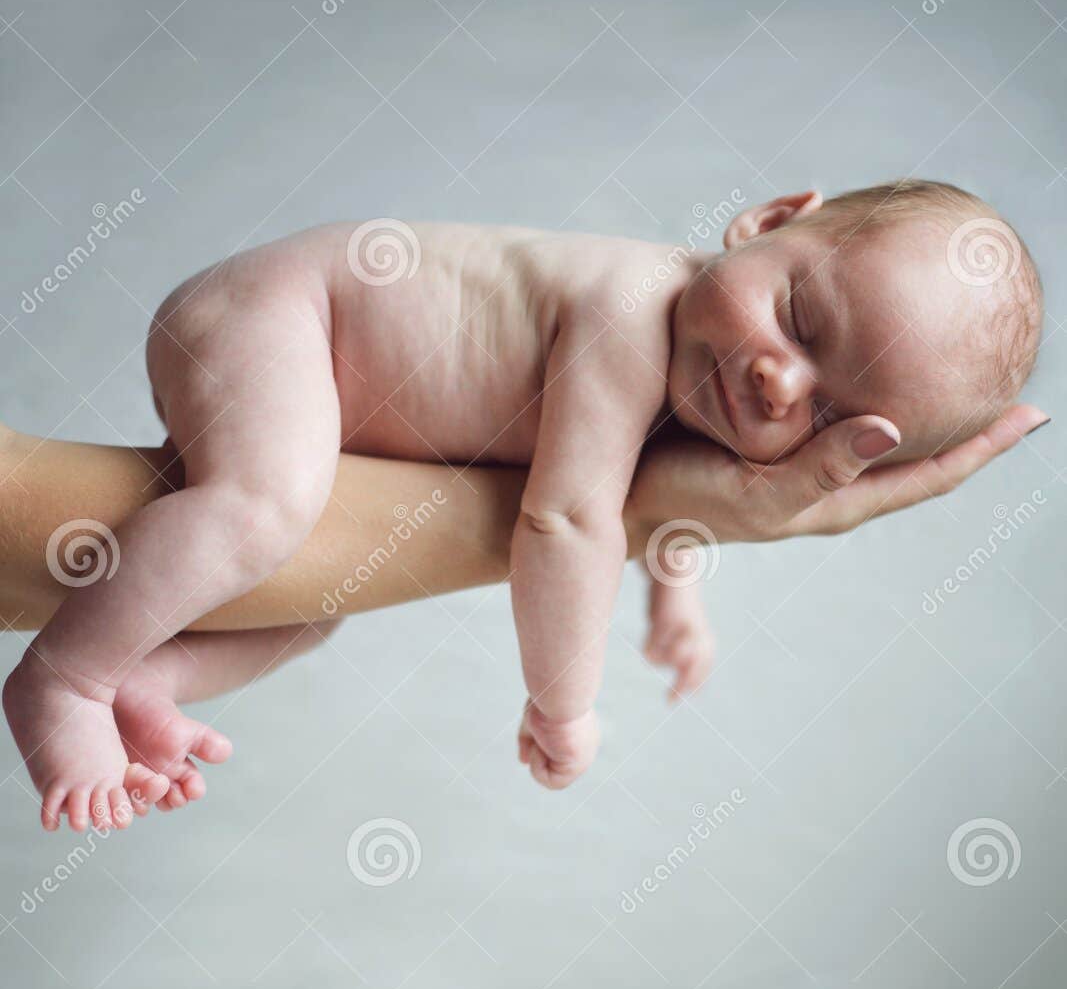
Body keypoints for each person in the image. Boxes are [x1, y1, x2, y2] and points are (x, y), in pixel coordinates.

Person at [1, 178, 1046, 824]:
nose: (781, 382)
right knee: (269, 505)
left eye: (824, 418)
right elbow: (569, 519)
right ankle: (64, 682)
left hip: (319, 384)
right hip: (279, 317)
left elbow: (654, 499)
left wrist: (673, 600)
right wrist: (563, 702)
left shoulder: (695, 383)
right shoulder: (630, 308)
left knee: (316, 600)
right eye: (798, 317)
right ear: (768, 219)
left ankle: (150, 673)